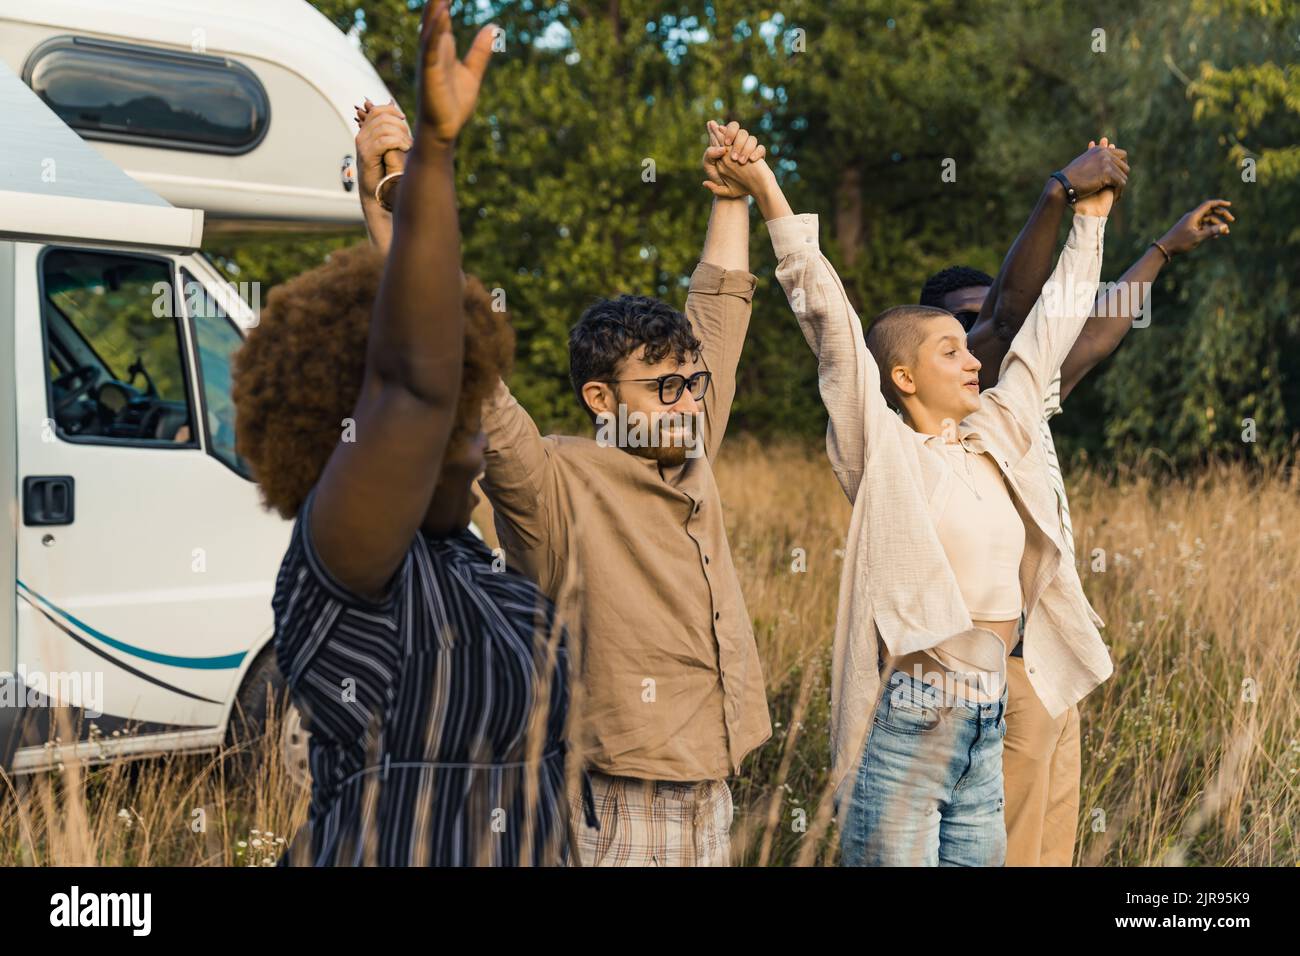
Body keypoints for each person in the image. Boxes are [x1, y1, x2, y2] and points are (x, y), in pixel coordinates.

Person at [233, 4, 572, 866]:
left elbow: (423, 355)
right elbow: (411, 381)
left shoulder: (471, 561)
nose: (468, 422)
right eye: (455, 408)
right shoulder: (346, 566)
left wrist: (392, 205)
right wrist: (437, 162)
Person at [723, 128, 1120, 864]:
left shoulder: (999, 433)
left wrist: (1091, 218)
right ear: (903, 379)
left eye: (969, 350)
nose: (975, 361)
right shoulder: (888, 454)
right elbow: (830, 326)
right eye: (951, 352)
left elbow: (1051, 327)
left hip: (989, 716)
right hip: (915, 717)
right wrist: (767, 191)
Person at [919, 178, 1233, 866]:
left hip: (1046, 663)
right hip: (989, 670)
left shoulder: (1020, 399)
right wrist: (1061, 194)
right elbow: (1009, 317)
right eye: (959, 330)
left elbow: (1091, 333)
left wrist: (1162, 249)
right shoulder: (931, 428)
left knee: (1051, 849)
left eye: (981, 323)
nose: (977, 348)